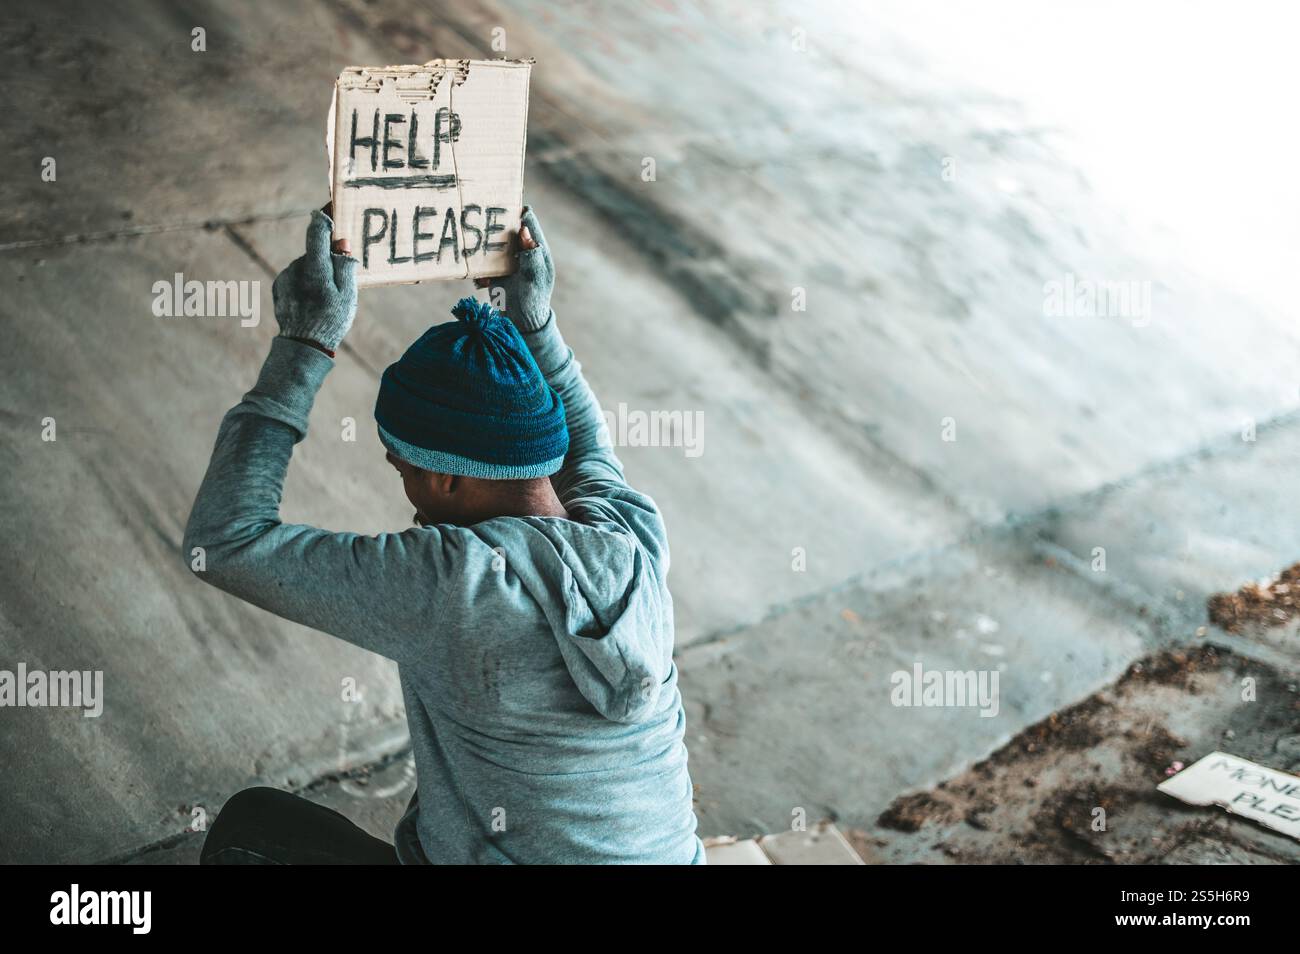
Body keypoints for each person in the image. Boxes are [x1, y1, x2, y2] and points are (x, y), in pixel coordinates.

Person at [184, 207, 704, 864]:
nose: (407, 496)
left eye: (402, 469)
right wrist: (536, 323)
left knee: (253, 826)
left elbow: (223, 543)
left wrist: (305, 344)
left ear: (447, 480)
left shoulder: (455, 581)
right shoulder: (632, 539)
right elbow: (587, 444)